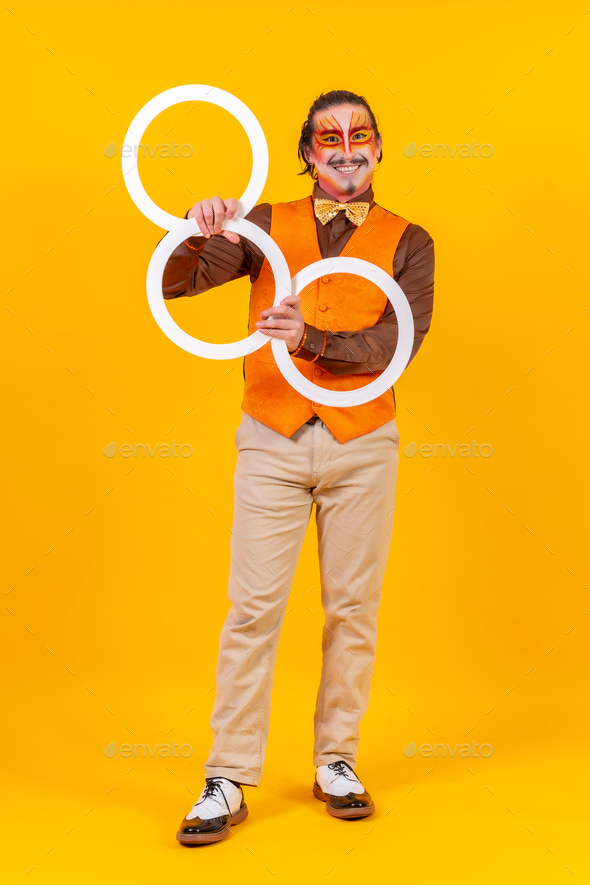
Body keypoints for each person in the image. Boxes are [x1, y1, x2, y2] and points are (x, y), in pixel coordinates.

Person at [161, 89, 435, 845]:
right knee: (251, 608)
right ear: (309, 153)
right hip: (271, 434)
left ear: (378, 148)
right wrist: (196, 229)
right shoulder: (264, 223)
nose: (346, 147)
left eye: (361, 135)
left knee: (352, 609)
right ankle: (227, 774)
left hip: (364, 442)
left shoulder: (410, 240)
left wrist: (307, 336)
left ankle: (336, 760)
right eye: (329, 137)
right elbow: (176, 285)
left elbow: (395, 347)